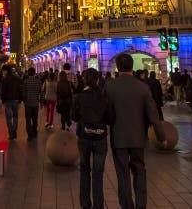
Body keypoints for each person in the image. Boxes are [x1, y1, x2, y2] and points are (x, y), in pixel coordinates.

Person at [105, 53, 167, 209]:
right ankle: (141, 205)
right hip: (138, 137)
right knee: (139, 171)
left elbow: (106, 113)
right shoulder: (143, 87)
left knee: (122, 174)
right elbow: (153, 115)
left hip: (118, 137)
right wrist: (161, 136)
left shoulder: (110, 87)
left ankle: (127, 205)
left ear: (117, 67)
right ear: (132, 67)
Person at [72, 68, 109, 209]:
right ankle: (98, 206)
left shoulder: (79, 97)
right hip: (100, 139)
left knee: (84, 171)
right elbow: (110, 117)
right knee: (98, 174)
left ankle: (85, 204)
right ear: (98, 80)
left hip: (84, 137)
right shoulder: (103, 97)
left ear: (84, 80)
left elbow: (74, 117)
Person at [0, 65, 22, 140]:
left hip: (8, 101)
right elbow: (20, 89)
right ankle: (14, 130)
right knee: (15, 116)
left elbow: (3, 91)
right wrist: (20, 100)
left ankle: (11, 133)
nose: (2, 72)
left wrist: (3, 100)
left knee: (9, 118)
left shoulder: (4, 79)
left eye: (3, 71)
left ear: (6, 70)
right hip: (16, 100)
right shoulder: (17, 78)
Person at [21, 67, 41, 140]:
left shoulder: (26, 81)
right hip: (35, 103)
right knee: (35, 119)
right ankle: (35, 132)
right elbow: (41, 92)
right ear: (34, 73)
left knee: (28, 119)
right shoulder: (38, 81)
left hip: (28, 104)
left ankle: (29, 134)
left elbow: (24, 93)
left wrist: (24, 101)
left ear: (28, 73)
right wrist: (41, 102)